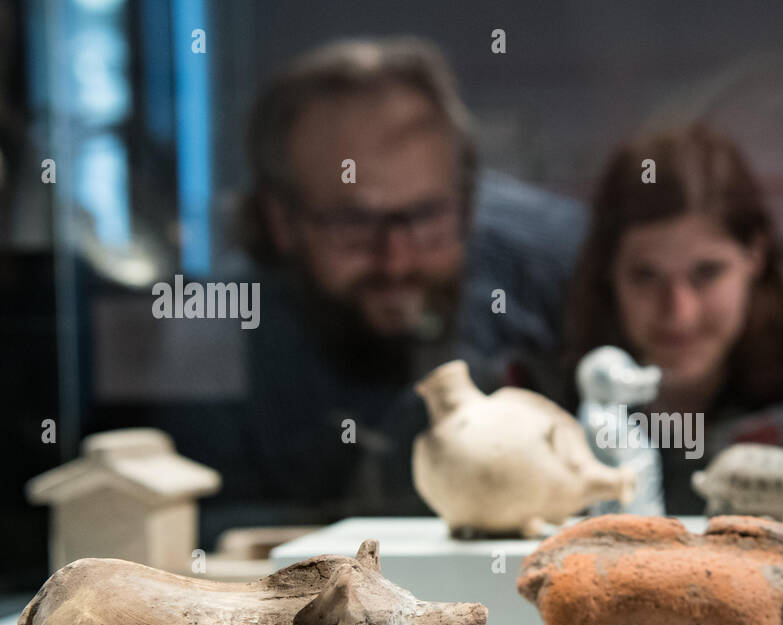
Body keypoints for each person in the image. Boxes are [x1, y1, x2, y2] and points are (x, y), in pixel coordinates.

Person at [228, 37, 585, 520]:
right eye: (353, 225)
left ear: (467, 201)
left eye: (425, 217)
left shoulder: (561, 270)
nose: (396, 261)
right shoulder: (227, 328)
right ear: (281, 223)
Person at [568, 125, 783, 513]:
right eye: (646, 275)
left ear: (756, 254)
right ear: (608, 273)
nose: (679, 311)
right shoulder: (558, 392)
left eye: (706, 273)